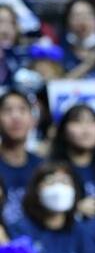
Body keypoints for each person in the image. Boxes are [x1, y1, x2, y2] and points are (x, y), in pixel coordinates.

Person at [50, 103, 95, 220]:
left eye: (91, 122)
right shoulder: (51, 170)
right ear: (63, 130)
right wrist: (74, 209)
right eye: (78, 122)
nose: (86, 129)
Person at [0, 90, 41, 229]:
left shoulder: (42, 165)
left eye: (22, 110)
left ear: (33, 120)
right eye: (7, 110)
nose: (15, 117)